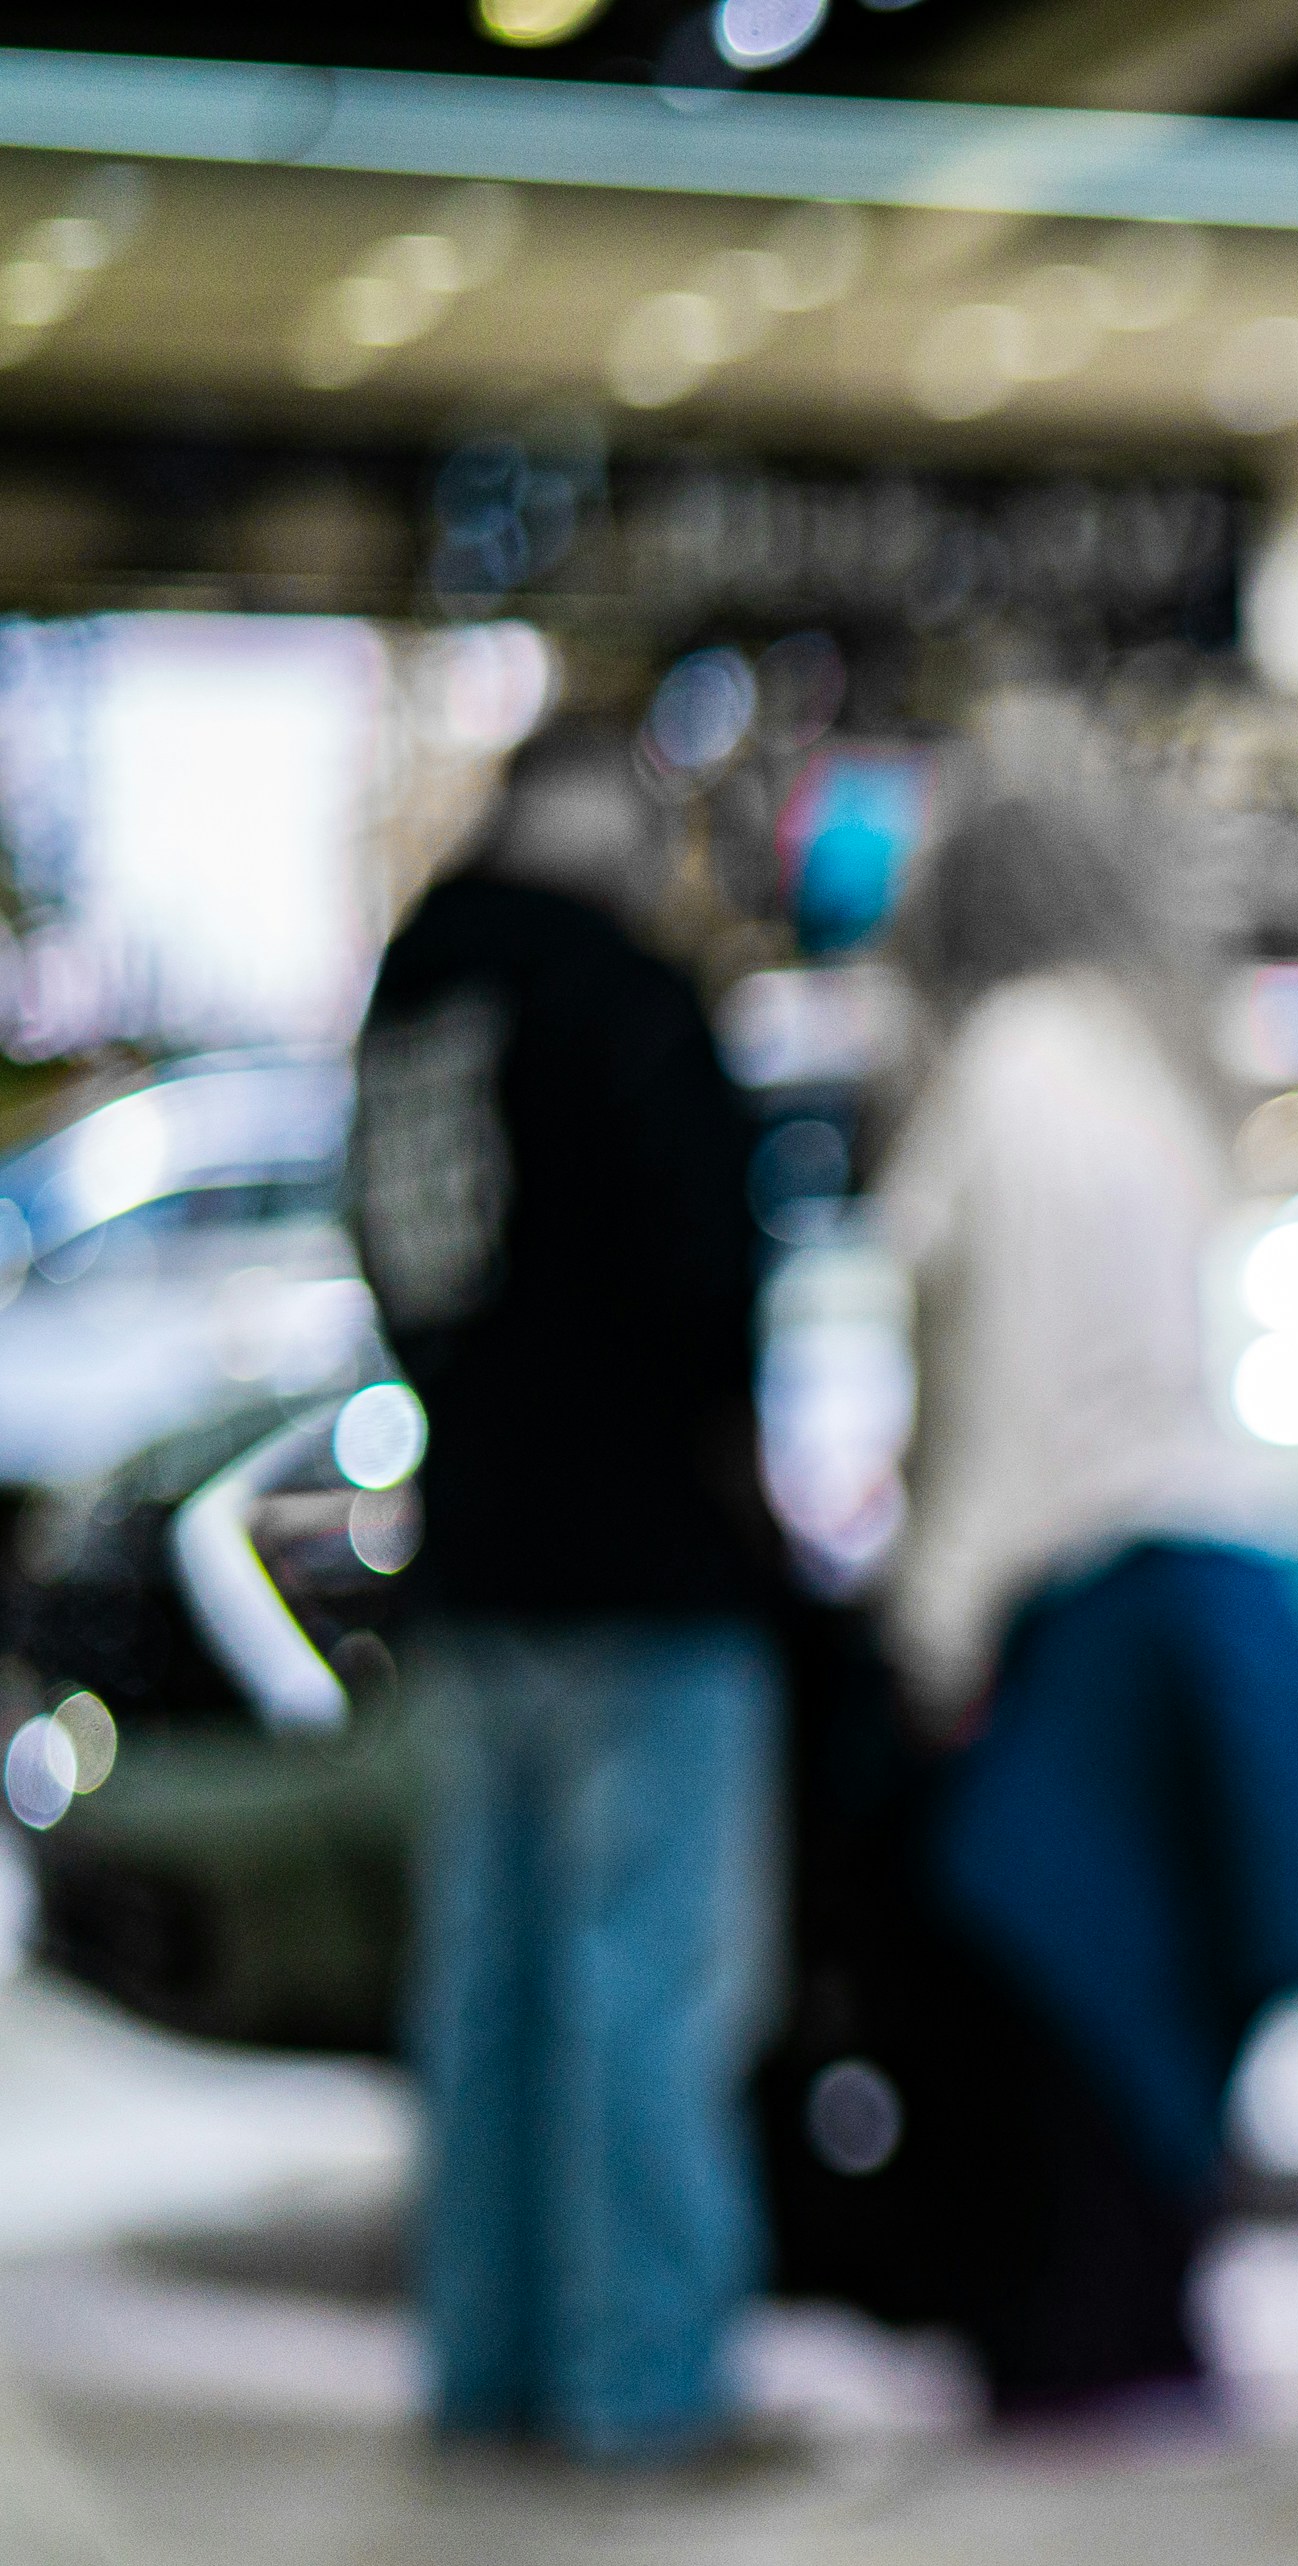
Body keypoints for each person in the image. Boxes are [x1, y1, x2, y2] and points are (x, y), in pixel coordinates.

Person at [876, 785, 1298, 2427]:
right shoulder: (1142, 1067)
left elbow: (1020, 1395)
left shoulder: (1008, 1078)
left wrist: (935, 1622)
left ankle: (1075, 2341)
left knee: (1060, 1981)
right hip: (1197, 1574)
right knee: (1152, 1994)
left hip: (1081, 1593)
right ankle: (1142, 2323)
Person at [345, 710, 790, 2467]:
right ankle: (646, 2391)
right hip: (646, 1572)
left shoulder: (416, 999)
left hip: (477, 1554)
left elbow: (390, 1259)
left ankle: (489, 2368)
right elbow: (708, 1283)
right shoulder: (624, 995)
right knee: (649, 1997)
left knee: (493, 1995)